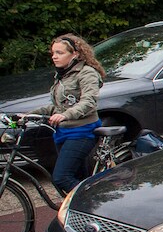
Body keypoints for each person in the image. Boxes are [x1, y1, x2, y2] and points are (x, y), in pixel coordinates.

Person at [25, 34, 104, 192]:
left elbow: (88, 102)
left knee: (61, 178)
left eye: (59, 53)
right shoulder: (63, 75)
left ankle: (91, 201)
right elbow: (58, 107)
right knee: (79, 177)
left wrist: (66, 115)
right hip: (63, 132)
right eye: (53, 53)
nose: (54, 57)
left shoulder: (86, 73)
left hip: (82, 131)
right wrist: (29, 115)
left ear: (75, 54)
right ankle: (85, 208)